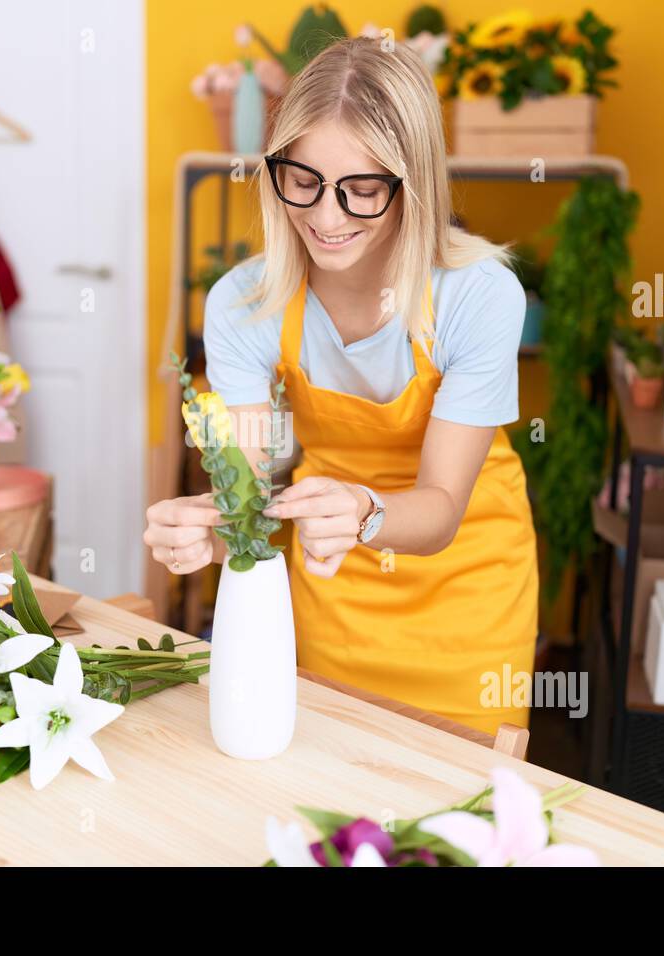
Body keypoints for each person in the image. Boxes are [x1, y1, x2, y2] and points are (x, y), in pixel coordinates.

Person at [143, 37, 537, 735]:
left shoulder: (477, 295)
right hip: (333, 581)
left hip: (468, 588)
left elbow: (443, 507)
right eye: (302, 180)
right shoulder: (247, 303)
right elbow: (252, 475)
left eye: (361, 190)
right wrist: (213, 525)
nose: (325, 218)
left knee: (459, 825)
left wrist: (362, 511)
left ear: (412, 182)